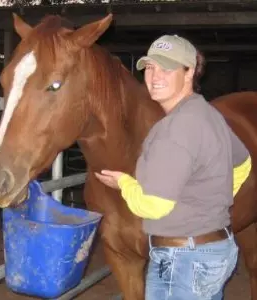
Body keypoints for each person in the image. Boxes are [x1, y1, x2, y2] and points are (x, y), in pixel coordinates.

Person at [95, 34, 251, 300]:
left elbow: (153, 206)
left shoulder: (174, 129)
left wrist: (124, 183)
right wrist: (208, 202)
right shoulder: (209, 114)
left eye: (167, 68)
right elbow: (243, 163)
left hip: (183, 261)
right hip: (215, 251)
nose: (155, 76)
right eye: (151, 67)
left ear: (189, 72)